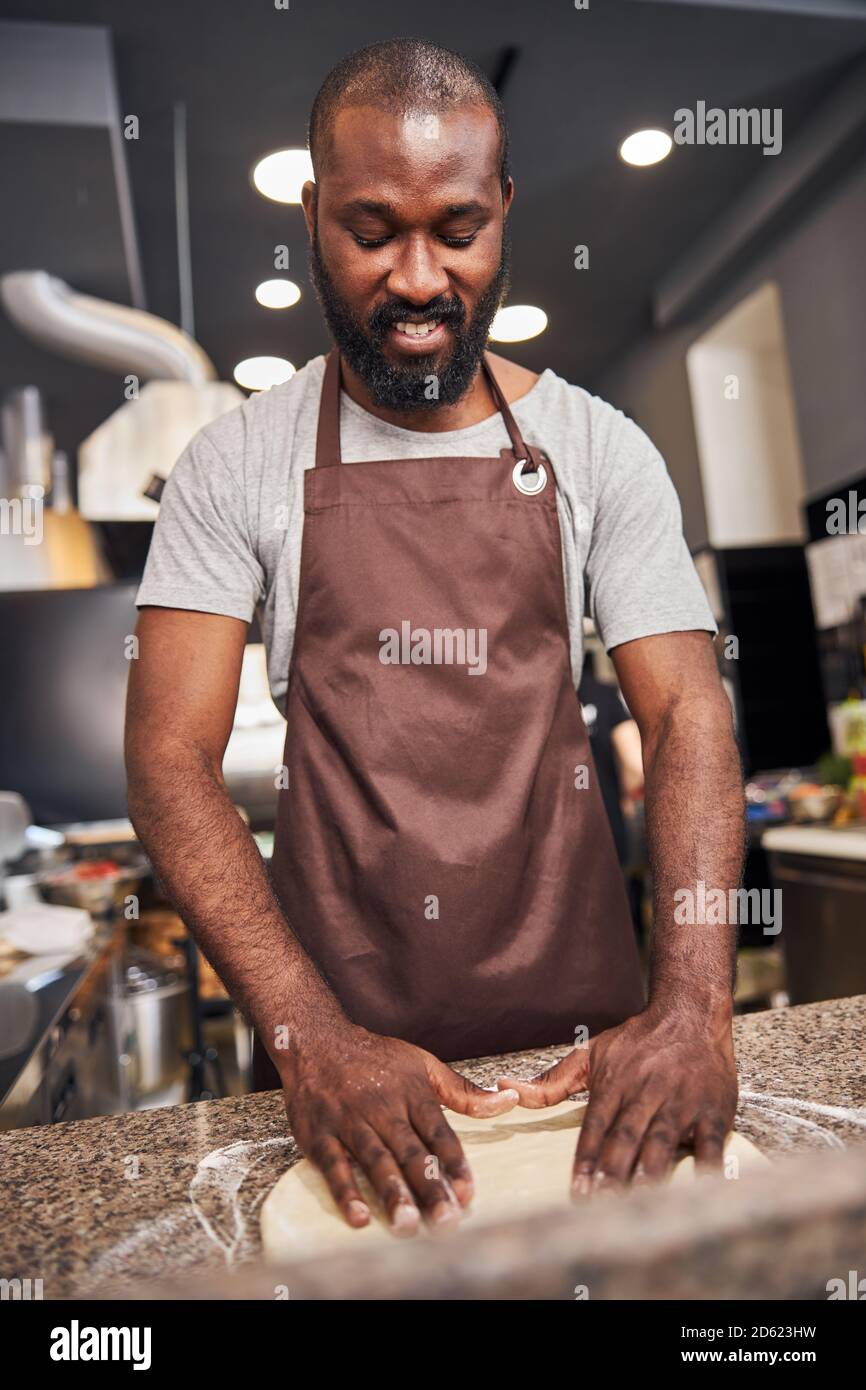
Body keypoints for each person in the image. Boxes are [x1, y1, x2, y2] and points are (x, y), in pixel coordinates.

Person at [126, 38, 744, 1235]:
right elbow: (166, 759)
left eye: (455, 231)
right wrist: (309, 1039)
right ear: (311, 216)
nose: (417, 279)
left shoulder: (598, 448)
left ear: (504, 211)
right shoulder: (235, 462)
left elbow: (687, 712)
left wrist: (692, 1009)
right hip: (343, 1070)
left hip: (587, 1063)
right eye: (370, 232)